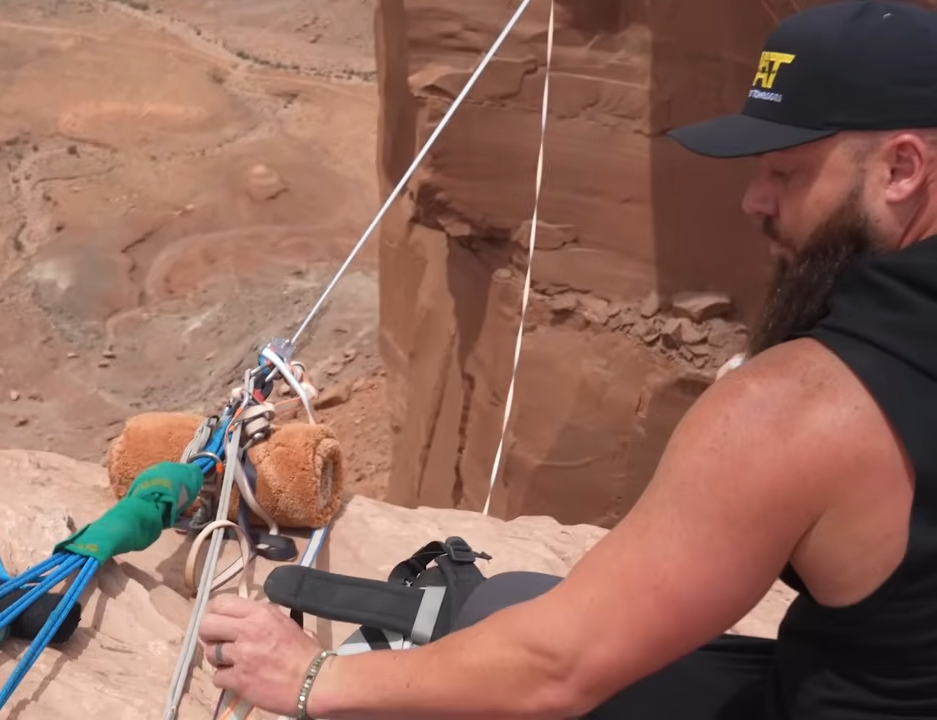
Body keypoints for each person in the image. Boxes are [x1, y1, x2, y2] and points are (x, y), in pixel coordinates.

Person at [196, 1, 937, 717]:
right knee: (503, 604)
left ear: (902, 168)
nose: (753, 200)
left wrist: (309, 676)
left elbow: (558, 672)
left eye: (786, 172)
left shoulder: (801, 407)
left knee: (473, 667)